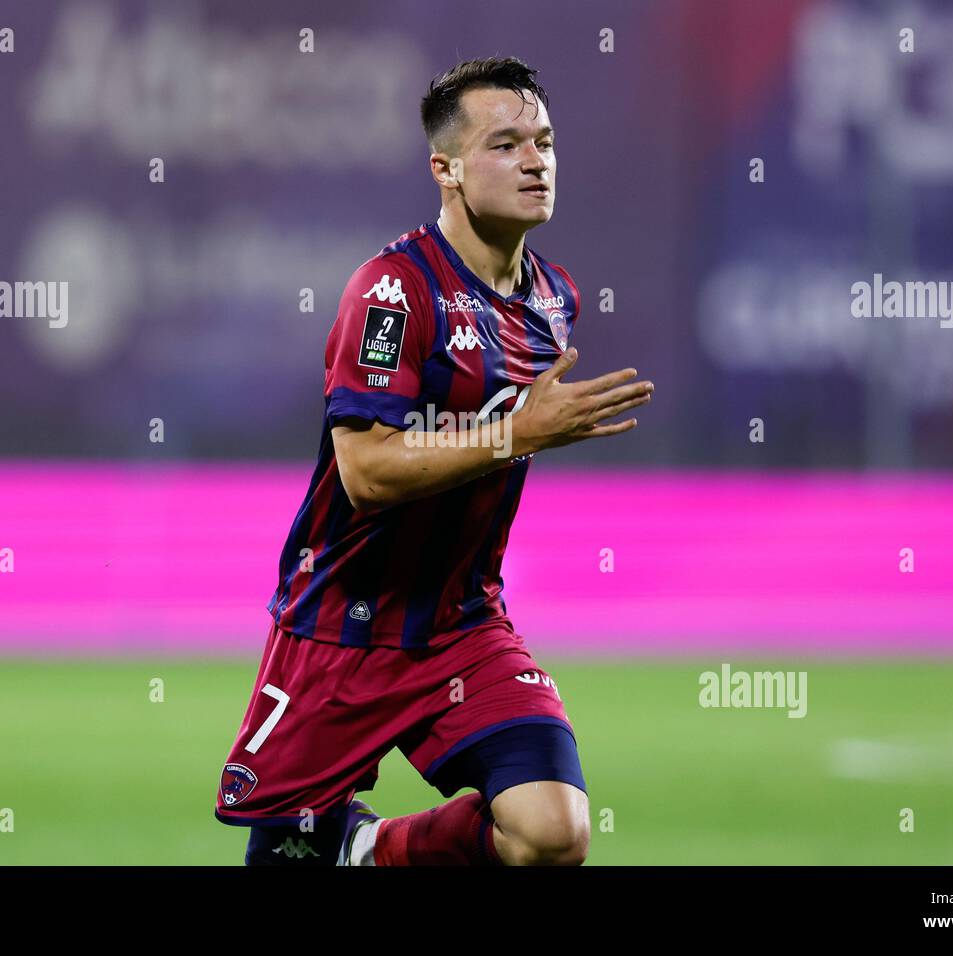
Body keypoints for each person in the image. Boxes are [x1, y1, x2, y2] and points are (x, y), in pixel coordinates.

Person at [215, 56, 653, 866]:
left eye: (546, 141)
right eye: (506, 143)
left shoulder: (553, 300)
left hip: (461, 625)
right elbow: (367, 474)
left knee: (553, 833)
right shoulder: (391, 293)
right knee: (282, 856)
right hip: (341, 630)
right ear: (444, 169)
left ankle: (366, 852)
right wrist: (519, 433)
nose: (535, 160)